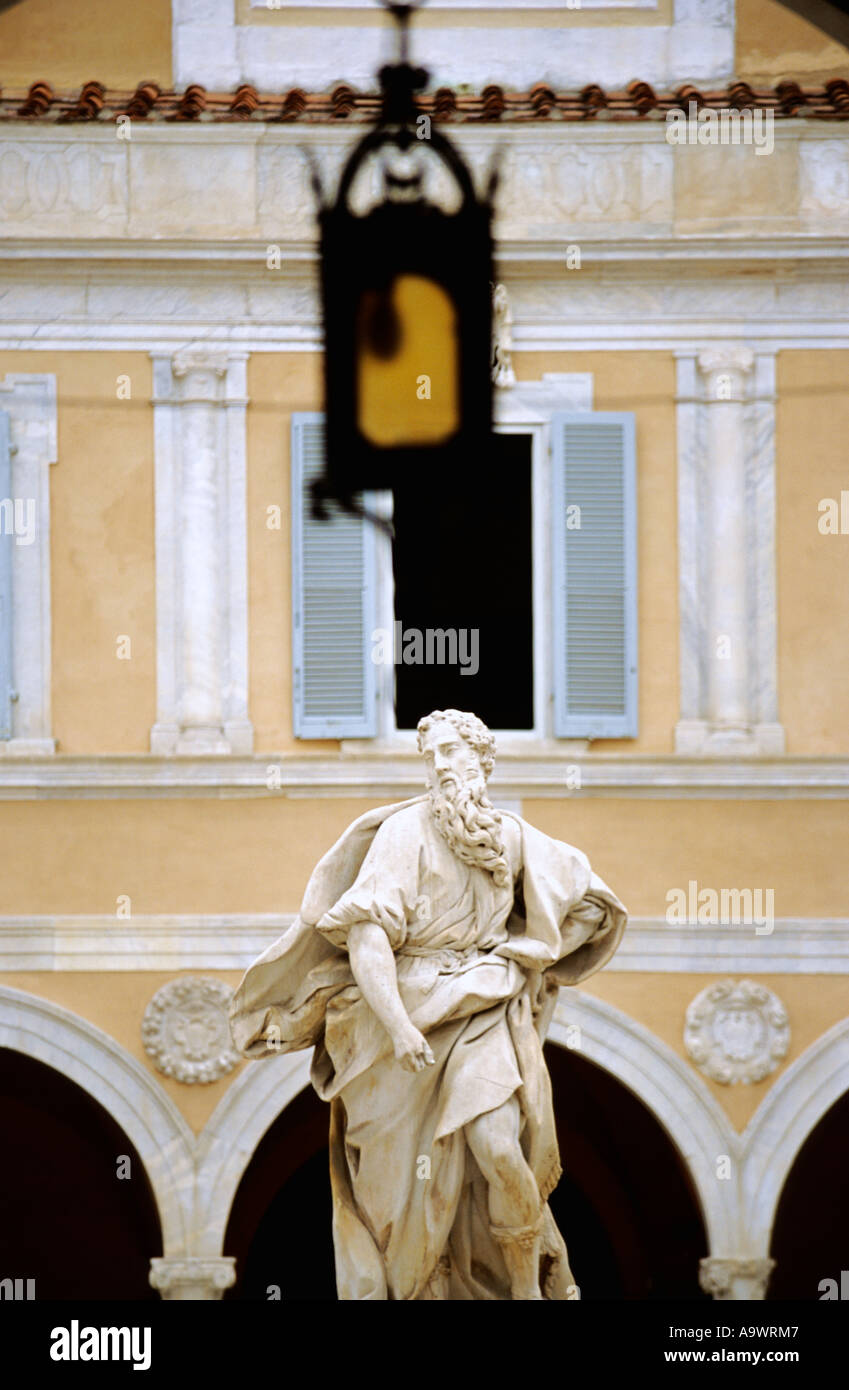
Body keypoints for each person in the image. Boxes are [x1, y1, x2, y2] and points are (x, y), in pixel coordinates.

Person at [230, 708, 627, 1300]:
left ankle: (525, 1288)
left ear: (481, 760)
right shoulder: (403, 833)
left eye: (451, 752)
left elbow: (594, 907)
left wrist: (520, 957)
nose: (439, 765)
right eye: (431, 755)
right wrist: (397, 1027)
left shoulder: (517, 839)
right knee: (397, 1204)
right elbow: (367, 936)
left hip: (483, 1011)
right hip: (403, 1017)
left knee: (497, 1146)